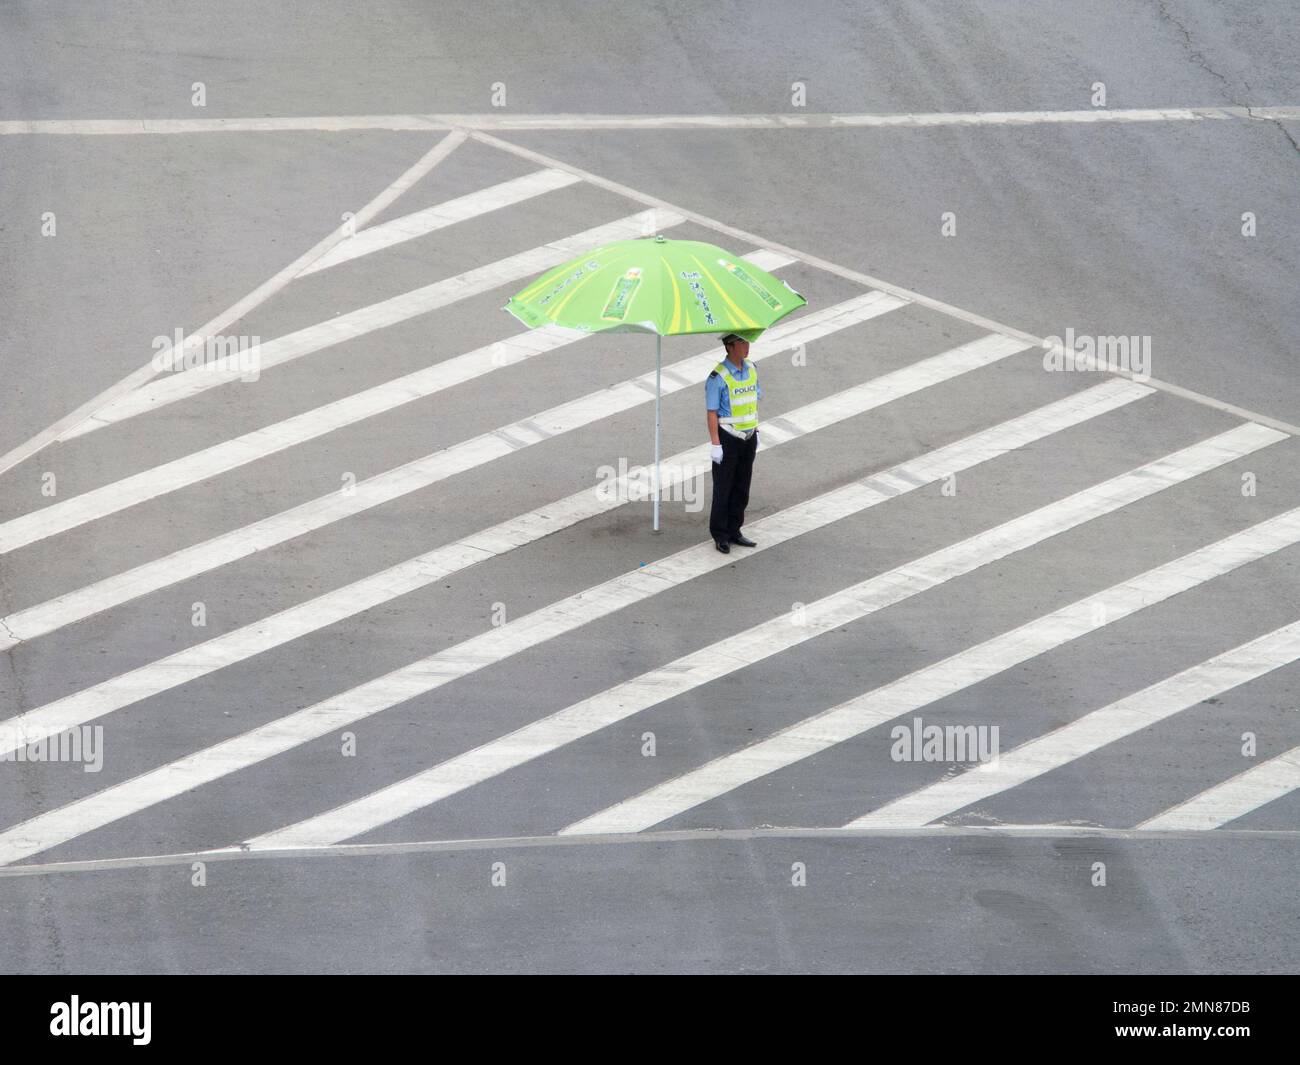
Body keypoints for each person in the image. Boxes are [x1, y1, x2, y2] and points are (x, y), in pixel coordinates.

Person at [705, 333, 761, 553]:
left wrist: (756, 428)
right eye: (741, 343)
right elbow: (712, 413)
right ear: (729, 347)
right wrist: (715, 444)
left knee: (742, 486)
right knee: (724, 488)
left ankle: (735, 529)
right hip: (728, 438)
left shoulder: (752, 369)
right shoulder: (717, 377)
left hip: (748, 437)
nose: (746, 346)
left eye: (747, 342)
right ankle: (720, 534)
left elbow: (753, 401)